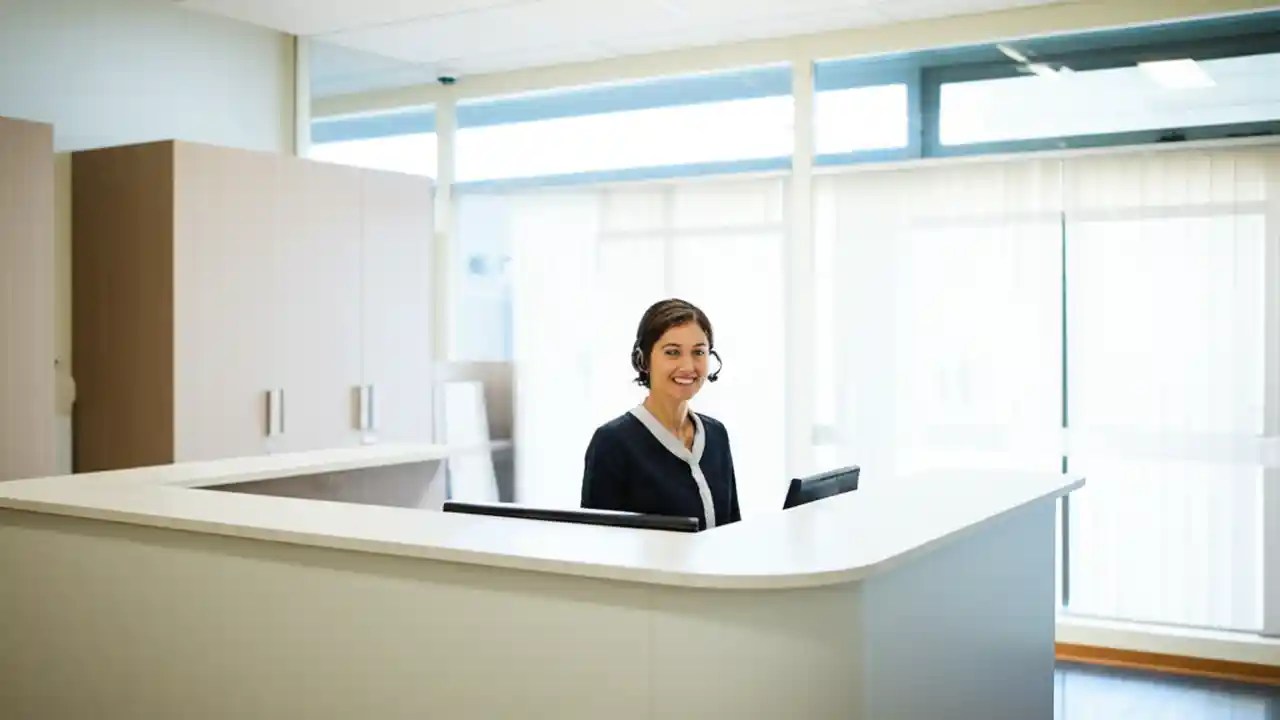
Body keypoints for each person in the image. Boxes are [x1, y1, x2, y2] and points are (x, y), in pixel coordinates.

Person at [580, 298, 740, 530]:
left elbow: (732, 528)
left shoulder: (716, 434)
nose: (688, 365)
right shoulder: (613, 442)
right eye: (672, 352)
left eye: (699, 352)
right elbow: (598, 546)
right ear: (643, 359)